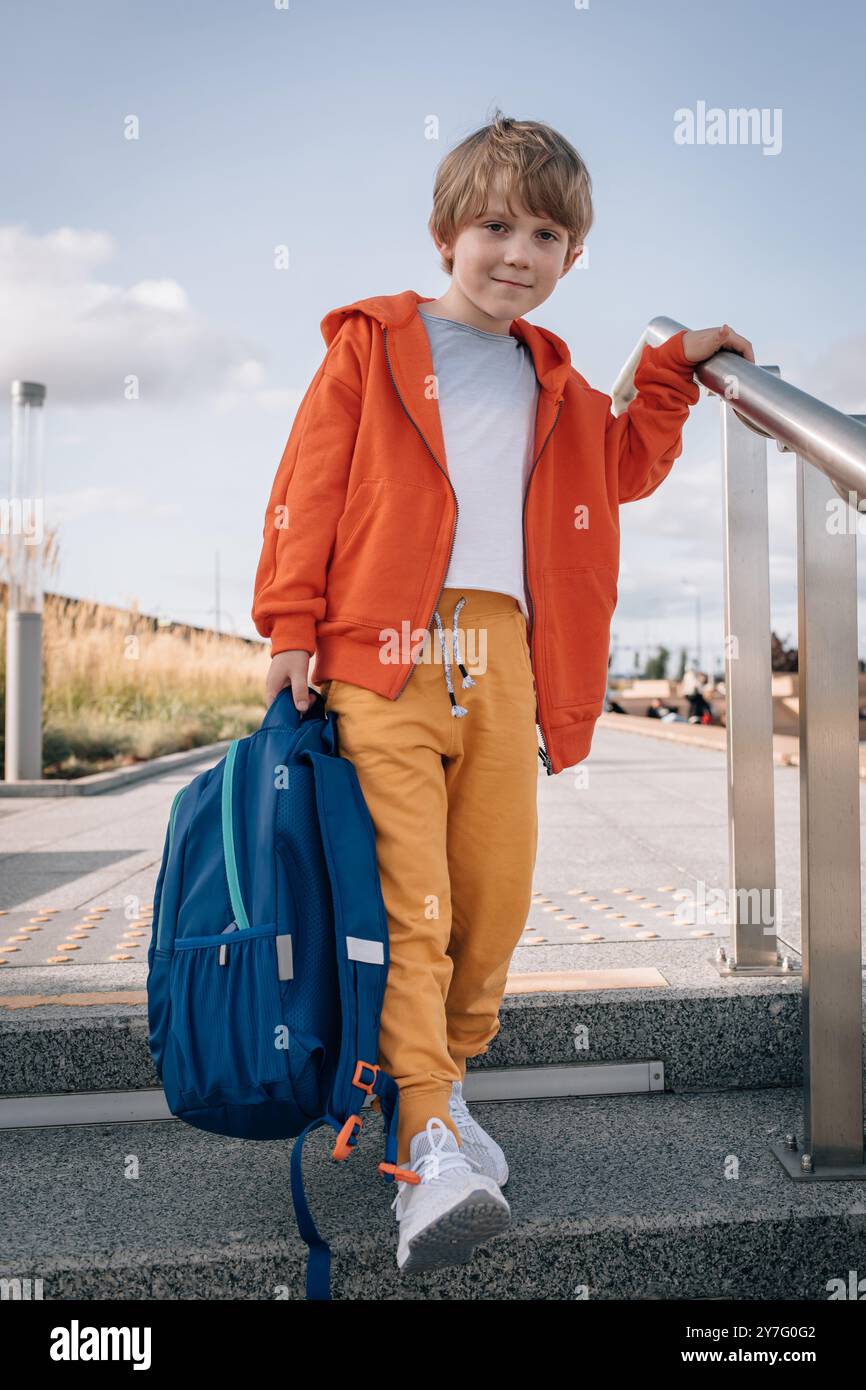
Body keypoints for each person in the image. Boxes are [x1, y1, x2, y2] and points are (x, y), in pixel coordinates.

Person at [251, 109, 754, 1276]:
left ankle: (444, 1076)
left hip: (503, 657)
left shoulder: (562, 387)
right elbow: (307, 482)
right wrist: (289, 621)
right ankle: (423, 1137)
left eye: (543, 233)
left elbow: (623, 466)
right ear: (444, 234)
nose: (515, 252)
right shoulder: (375, 345)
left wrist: (669, 377)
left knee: (495, 894)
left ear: (570, 257)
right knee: (409, 900)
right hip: (383, 653)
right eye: (492, 225)